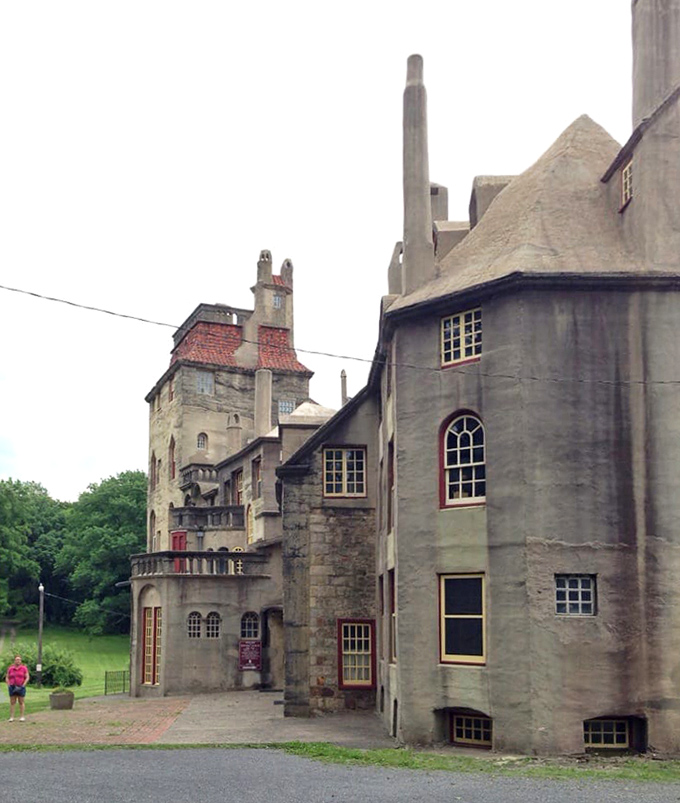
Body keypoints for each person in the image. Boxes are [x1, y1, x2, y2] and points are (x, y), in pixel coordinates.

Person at [5, 655, 30, 722]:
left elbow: (27, 677)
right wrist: (8, 684)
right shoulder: (10, 668)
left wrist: (23, 685)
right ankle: (12, 717)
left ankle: (22, 716)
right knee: (12, 702)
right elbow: (7, 677)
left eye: (19, 659)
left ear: (21, 661)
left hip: (20, 686)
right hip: (12, 686)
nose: (18, 661)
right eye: (16, 659)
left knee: (21, 701)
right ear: (14, 660)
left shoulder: (24, 668)